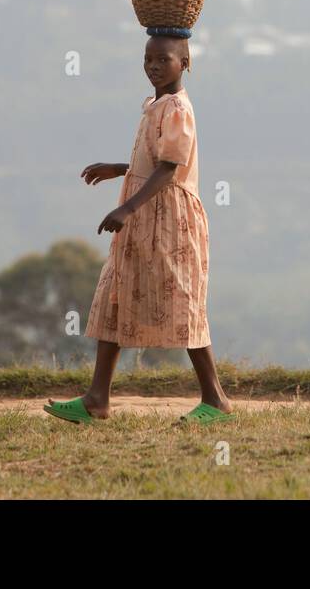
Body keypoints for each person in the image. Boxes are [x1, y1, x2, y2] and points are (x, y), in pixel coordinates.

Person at [44, 32, 232, 425]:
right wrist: (120, 170)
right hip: (145, 215)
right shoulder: (157, 104)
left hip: (168, 220)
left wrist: (127, 207)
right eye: (148, 59)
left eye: (163, 60)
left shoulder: (178, 108)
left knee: (182, 303)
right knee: (115, 294)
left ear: (185, 63)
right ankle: (97, 398)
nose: (153, 66)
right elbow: (153, 161)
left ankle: (216, 399)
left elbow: (169, 169)